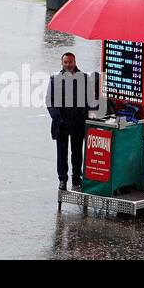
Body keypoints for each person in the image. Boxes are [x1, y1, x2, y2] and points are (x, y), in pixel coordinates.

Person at [47, 52, 93, 191]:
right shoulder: (55, 79)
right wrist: (56, 117)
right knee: (61, 153)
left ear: (75, 62)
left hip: (77, 123)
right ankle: (62, 179)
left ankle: (76, 178)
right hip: (61, 123)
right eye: (65, 62)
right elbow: (49, 100)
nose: (68, 65)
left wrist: (86, 114)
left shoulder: (84, 78)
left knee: (77, 152)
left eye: (70, 62)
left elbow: (90, 99)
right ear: (62, 63)